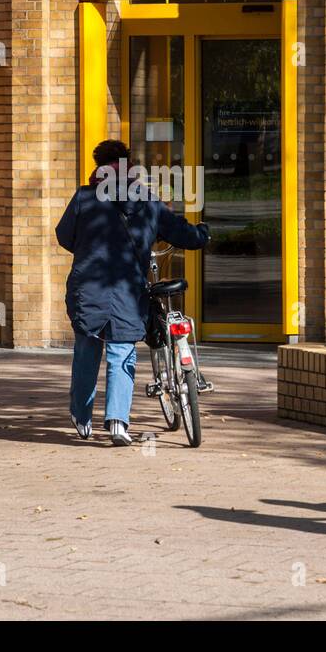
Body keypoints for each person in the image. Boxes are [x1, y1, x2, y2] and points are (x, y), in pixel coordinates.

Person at [55, 140, 209, 445]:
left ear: (97, 165)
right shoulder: (147, 201)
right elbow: (183, 234)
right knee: (121, 350)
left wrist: (88, 248)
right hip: (127, 287)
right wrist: (202, 232)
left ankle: (82, 418)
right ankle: (117, 422)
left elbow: (64, 236)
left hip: (88, 285)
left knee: (87, 351)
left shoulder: (84, 197)